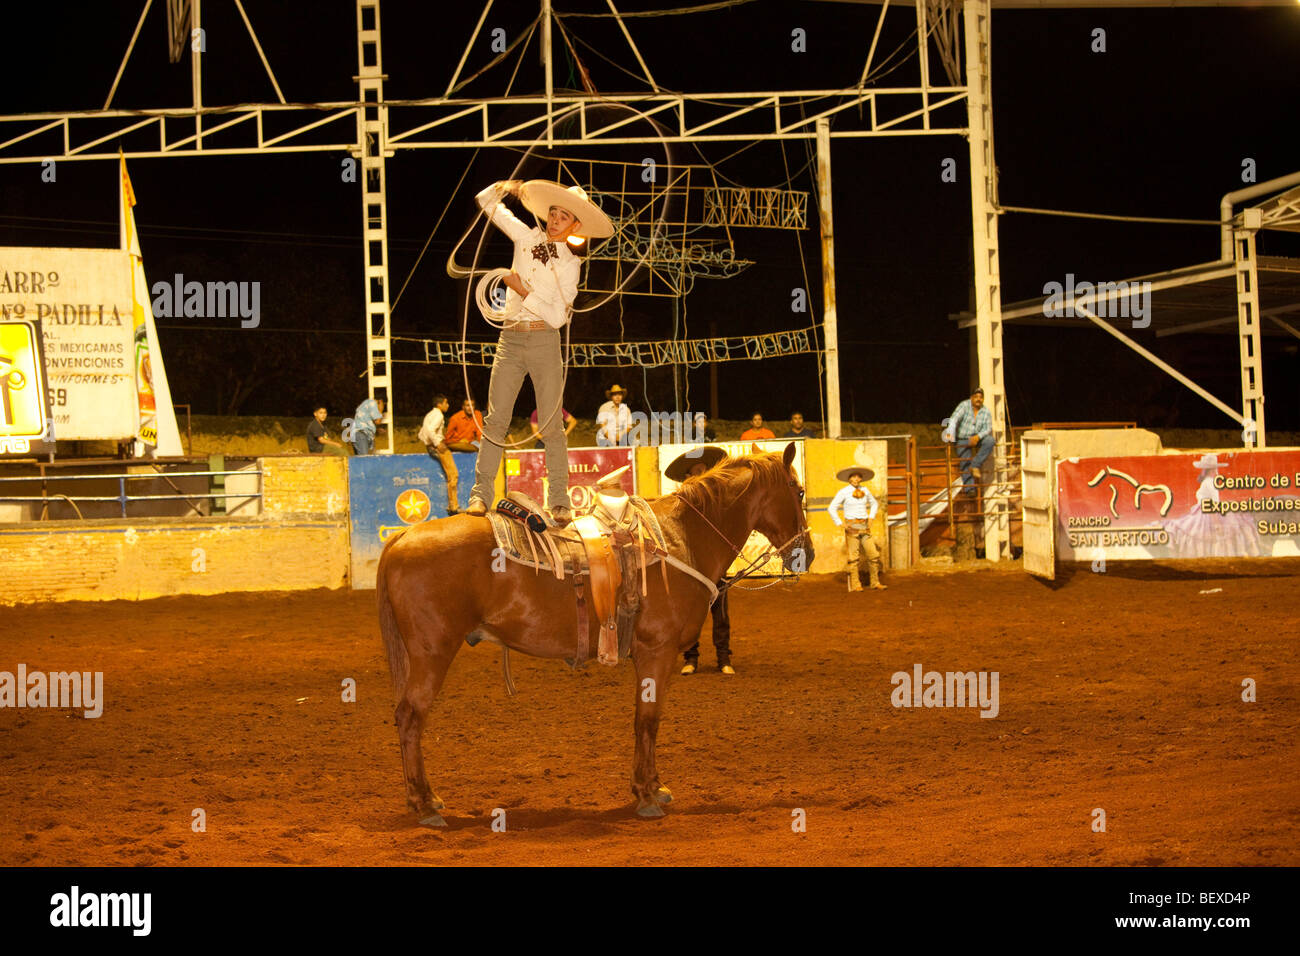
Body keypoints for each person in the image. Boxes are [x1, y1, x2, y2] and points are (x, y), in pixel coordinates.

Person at [465, 179, 613, 524]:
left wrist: (522, 289)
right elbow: (485, 201)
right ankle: (480, 496)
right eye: (553, 213)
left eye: (564, 216)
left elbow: (558, 317)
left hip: (545, 341)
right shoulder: (525, 236)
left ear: (575, 225)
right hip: (510, 338)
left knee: (550, 425)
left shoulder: (570, 264)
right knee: (495, 421)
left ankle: (559, 501)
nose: (555, 219)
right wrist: (506, 187)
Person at [665, 446, 735, 675]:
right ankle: (691, 657)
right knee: (689, 612)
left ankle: (724, 658)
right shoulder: (682, 502)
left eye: (705, 470)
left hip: (715, 564)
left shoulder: (719, 501)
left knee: (720, 612)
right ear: (689, 476)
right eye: (698, 471)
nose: (703, 475)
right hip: (691, 565)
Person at [828, 464, 887, 592]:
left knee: (873, 555)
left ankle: (875, 582)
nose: (856, 479)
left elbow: (874, 503)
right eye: (853, 477)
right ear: (849, 479)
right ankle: (856, 584)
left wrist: (871, 518)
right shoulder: (843, 492)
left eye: (858, 476)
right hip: (852, 527)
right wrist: (841, 523)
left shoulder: (865, 490)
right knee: (853, 558)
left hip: (865, 527)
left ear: (861, 478)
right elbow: (832, 508)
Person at [945, 386, 994, 494]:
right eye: (976, 396)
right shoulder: (964, 406)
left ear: (983, 399)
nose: (978, 399)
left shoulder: (985, 411)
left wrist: (978, 437)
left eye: (981, 397)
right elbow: (954, 418)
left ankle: (975, 464)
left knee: (990, 441)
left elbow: (988, 428)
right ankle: (970, 489)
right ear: (971, 398)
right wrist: (950, 432)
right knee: (964, 461)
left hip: (976, 438)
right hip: (962, 438)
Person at [418, 394, 458, 514]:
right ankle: (453, 506)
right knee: (453, 474)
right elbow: (430, 430)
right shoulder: (439, 415)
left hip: (430, 446)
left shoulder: (430, 414)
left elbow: (422, 433)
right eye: (446, 403)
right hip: (437, 446)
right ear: (439, 404)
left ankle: (453, 505)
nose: (448, 405)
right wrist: (437, 443)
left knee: (450, 475)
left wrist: (429, 443)